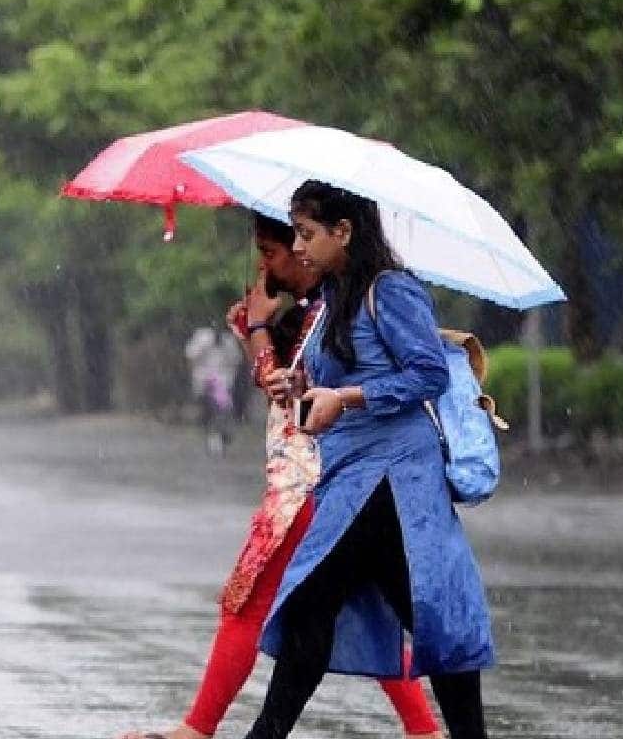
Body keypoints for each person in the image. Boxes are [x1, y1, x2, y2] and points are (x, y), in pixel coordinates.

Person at [122, 213, 442, 739]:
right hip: (328, 483)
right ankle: (425, 729)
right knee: (359, 608)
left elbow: (296, 395)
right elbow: (282, 385)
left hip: (310, 485)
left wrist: (259, 330)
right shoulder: (324, 307)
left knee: (249, 603)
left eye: (280, 249)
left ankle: (199, 729)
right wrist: (256, 331)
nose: (270, 262)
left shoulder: (338, 309)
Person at [245, 181, 495, 739]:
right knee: (405, 615)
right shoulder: (335, 299)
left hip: (392, 485)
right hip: (350, 480)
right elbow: (340, 373)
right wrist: (300, 382)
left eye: (308, 234)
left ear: (344, 231)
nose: (300, 246)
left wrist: (349, 398)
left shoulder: (392, 290)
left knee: (325, 608)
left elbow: (427, 373)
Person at [184, 322, 243, 454]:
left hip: (223, 381)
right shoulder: (202, 337)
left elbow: (236, 361)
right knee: (207, 410)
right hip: (204, 379)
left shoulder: (228, 341)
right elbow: (191, 356)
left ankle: (221, 434)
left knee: (222, 410)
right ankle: (211, 433)